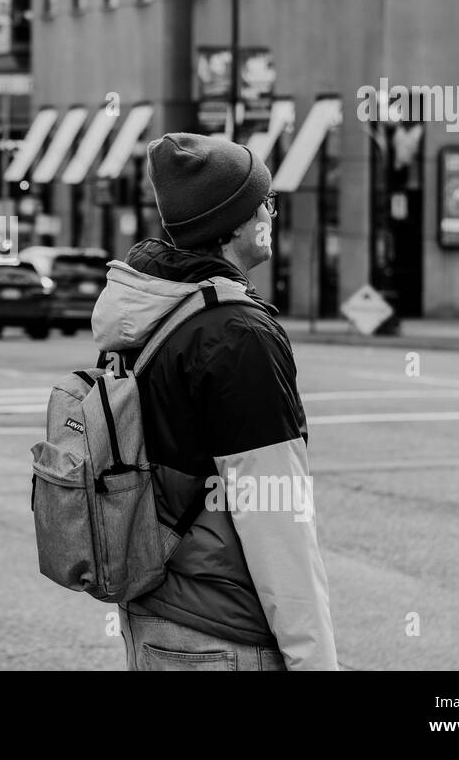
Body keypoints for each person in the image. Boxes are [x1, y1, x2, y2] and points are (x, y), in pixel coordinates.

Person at [91, 132, 338, 671]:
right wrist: (314, 661)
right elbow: (276, 516)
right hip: (223, 634)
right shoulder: (236, 336)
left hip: (158, 617)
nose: (271, 212)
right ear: (231, 223)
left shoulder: (151, 315)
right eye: (263, 202)